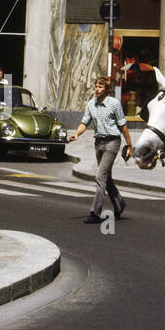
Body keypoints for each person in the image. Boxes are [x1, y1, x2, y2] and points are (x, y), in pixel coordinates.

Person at [69, 76, 132, 223]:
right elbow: (84, 122)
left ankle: (95, 213)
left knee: (100, 178)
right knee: (106, 179)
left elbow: (123, 126)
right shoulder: (91, 104)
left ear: (107, 90)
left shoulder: (114, 104)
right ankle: (119, 204)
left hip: (112, 143)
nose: (96, 89)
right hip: (98, 143)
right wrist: (77, 134)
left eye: (100, 87)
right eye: (95, 86)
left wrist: (129, 146)